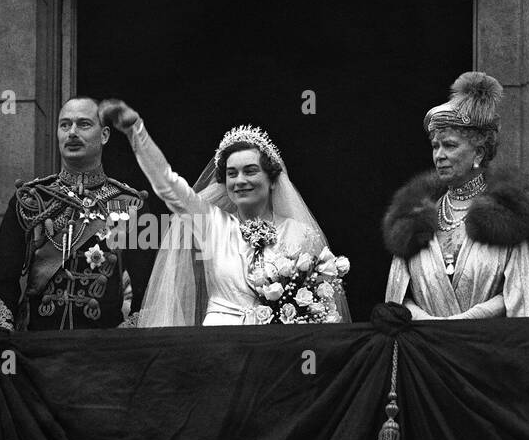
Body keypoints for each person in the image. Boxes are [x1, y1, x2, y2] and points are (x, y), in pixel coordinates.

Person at [100, 99, 349, 327]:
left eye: (250, 171)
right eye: (232, 173)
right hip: (219, 344)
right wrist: (137, 132)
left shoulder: (299, 232)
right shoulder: (213, 224)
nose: (240, 181)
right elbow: (168, 184)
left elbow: (322, 306)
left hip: (279, 349)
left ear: (272, 180)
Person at [382, 71, 529, 319]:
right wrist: (427, 322)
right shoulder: (412, 218)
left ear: (479, 153)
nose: (439, 155)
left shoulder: (514, 214)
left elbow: (527, 300)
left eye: (449, 145)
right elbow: (397, 302)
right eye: (435, 146)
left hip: (488, 351)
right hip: (424, 351)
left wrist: (472, 319)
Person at [0, 97, 148, 329]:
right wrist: (1, 336)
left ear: (104, 135)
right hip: (38, 350)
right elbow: (1, 280)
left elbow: (148, 286)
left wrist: (128, 341)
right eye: (65, 125)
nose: (72, 132)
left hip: (104, 352)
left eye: (83, 124)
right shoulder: (30, 200)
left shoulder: (131, 204)